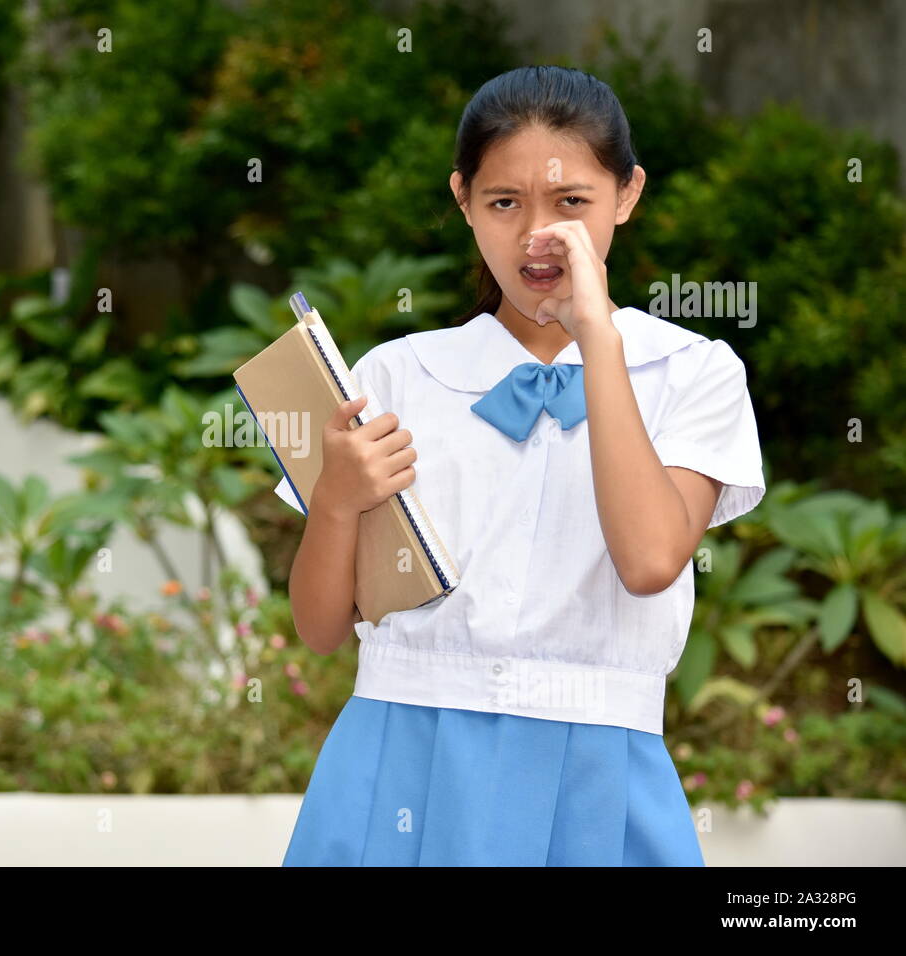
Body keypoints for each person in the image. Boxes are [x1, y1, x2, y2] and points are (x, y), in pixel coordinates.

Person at [278, 65, 766, 866]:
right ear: (463, 199)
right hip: (400, 752)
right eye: (505, 203)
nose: (538, 235)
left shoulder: (692, 372)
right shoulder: (399, 374)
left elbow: (649, 561)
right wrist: (334, 502)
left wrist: (597, 337)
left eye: (571, 202)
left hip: (599, 769)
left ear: (627, 195)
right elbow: (322, 629)